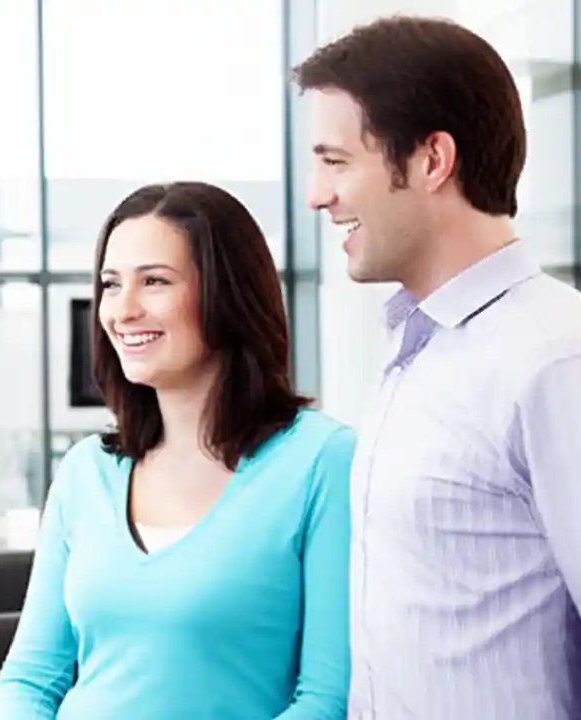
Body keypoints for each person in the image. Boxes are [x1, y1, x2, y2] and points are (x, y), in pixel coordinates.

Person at [296, 15, 581, 719]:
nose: (316, 194)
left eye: (336, 161)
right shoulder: (418, 349)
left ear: (432, 161)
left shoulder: (553, 358)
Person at [0, 182, 356, 719]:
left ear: (227, 294)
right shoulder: (86, 471)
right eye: (111, 284)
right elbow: (28, 678)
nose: (123, 310)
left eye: (155, 281)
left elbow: (328, 699)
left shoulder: (323, 460)